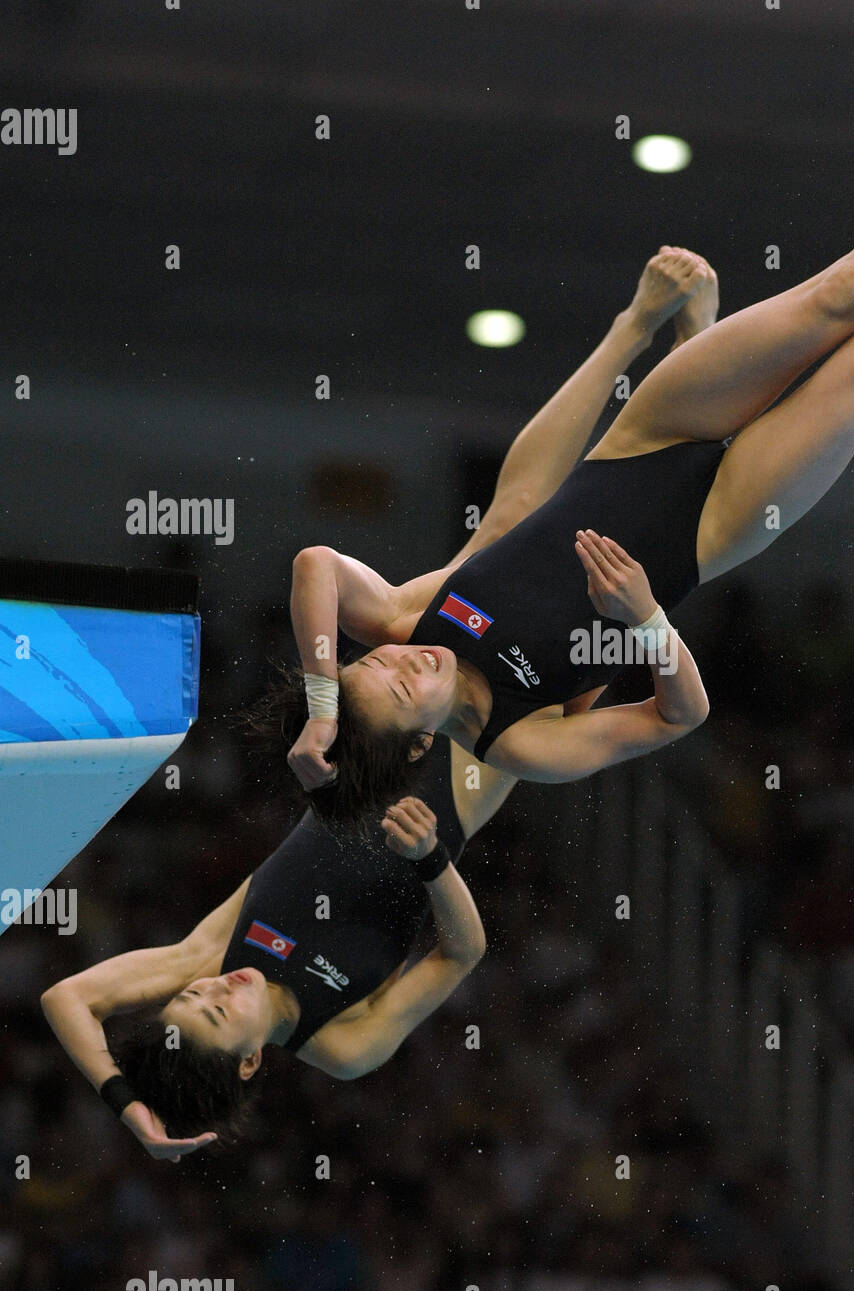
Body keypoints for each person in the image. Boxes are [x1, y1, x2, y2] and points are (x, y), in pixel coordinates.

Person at [281, 73, 854, 821]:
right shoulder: (523, 739)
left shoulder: (408, 617)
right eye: (401, 689)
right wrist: (648, 623)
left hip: (644, 441)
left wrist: (324, 706)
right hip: (715, 525)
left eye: (378, 664)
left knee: (846, 292)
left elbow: (321, 561)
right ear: (420, 745)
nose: (405, 660)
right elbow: (679, 717)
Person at [40, 249, 720, 1161]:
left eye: (189, 1000)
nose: (213, 990)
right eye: (216, 1014)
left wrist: (130, 1109)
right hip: (477, 766)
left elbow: (66, 998)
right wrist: (433, 861)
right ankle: (697, 355)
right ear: (248, 1065)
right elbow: (459, 956)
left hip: (395, 726)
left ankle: (649, 331)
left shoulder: (206, 952)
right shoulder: (340, 1044)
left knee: (517, 513)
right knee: (606, 581)